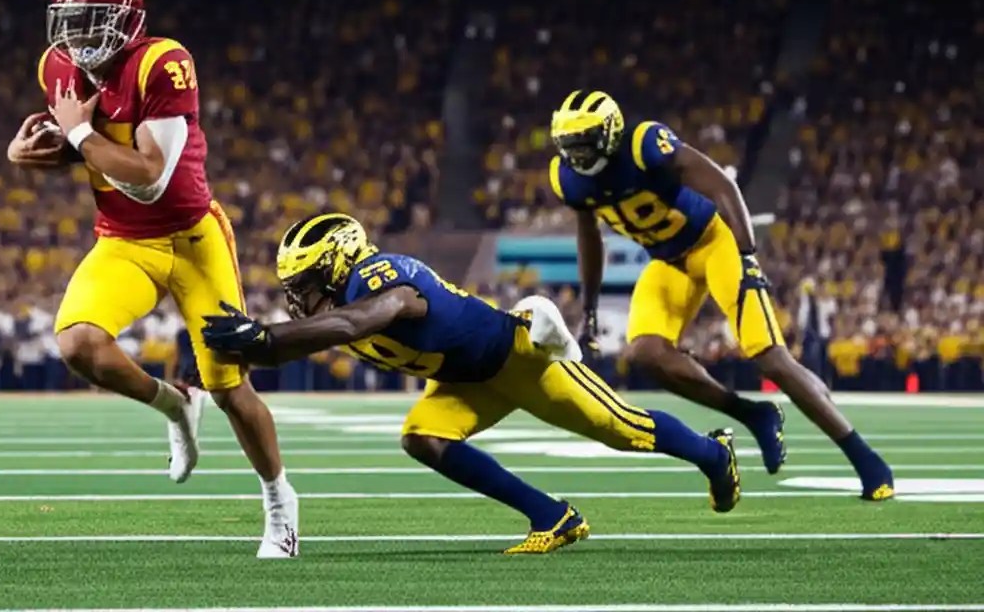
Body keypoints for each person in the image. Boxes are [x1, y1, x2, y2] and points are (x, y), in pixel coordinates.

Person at [201, 213, 741, 555]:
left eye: (307, 284)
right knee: (423, 437)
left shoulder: (378, 276)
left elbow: (359, 321)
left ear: (339, 266)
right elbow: (303, 339)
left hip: (516, 358)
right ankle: (552, 515)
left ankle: (712, 453)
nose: (298, 298)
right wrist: (248, 349)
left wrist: (268, 335)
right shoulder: (339, 303)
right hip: (462, 379)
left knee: (619, 428)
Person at [5, 0, 296, 557]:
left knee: (229, 386)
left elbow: (149, 178)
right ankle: (174, 403)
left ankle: (279, 502)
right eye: (69, 21)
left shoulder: (162, 62)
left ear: (126, 18)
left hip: (192, 240)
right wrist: (26, 152)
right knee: (78, 344)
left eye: (91, 20)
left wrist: (79, 134)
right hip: (122, 239)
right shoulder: (56, 67)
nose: (78, 36)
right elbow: (83, 153)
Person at [547, 89, 893, 501]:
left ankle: (867, 461)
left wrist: (747, 256)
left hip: (714, 242)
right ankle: (753, 414)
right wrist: (589, 309)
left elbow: (722, 184)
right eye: (568, 144)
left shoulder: (643, 145)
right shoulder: (567, 178)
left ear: (609, 132)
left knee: (769, 357)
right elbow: (589, 238)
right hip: (668, 262)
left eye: (583, 142)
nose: (576, 154)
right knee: (645, 355)